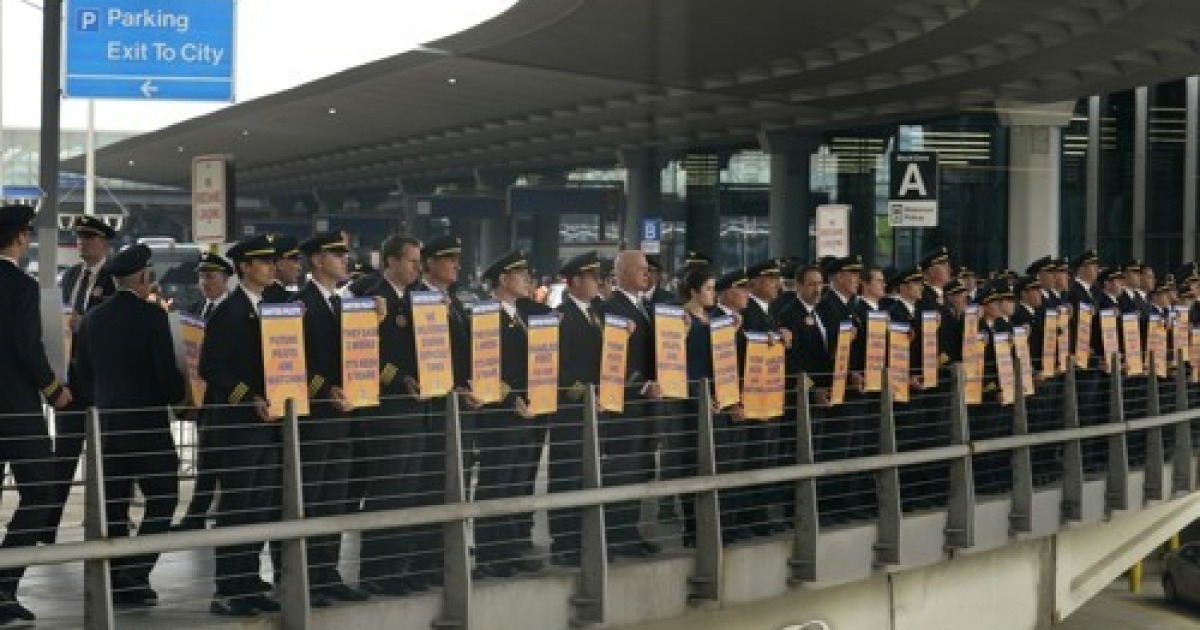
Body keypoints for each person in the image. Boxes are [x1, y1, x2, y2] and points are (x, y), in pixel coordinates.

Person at [73, 244, 185, 607]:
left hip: (107, 428)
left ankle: (117, 577)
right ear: (143, 277)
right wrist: (180, 393)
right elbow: (166, 376)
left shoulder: (93, 319)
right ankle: (135, 573)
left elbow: (81, 376)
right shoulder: (153, 318)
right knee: (163, 498)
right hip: (149, 428)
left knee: (115, 505)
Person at [199, 234, 285, 617]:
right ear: (245, 268)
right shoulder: (230, 311)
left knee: (260, 506)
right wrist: (248, 396)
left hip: (266, 423)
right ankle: (227, 588)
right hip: (238, 425)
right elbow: (211, 368)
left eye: (272, 261)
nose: (271, 267)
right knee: (236, 506)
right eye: (263, 262)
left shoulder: (265, 308)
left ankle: (248, 582)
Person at [0, 204, 72, 626]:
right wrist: (54, 390)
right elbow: (28, 349)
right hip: (16, 413)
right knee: (42, 492)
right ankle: (4, 586)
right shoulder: (21, 287)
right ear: (21, 238)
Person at [349, 235, 431, 595]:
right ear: (391, 261)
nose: (417, 267)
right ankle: (375, 570)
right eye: (411, 261)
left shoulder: (418, 299)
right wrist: (399, 379)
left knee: (408, 490)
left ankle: (398, 566)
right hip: (387, 407)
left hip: (416, 408)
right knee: (386, 489)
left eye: (418, 261)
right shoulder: (372, 298)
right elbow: (365, 353)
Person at [293, 232, 371, 603]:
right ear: (317, 260)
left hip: (344, 417)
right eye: (336, 254)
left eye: (344, 253)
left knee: (335, 499)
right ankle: (306, 576)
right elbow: (292, 361)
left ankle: (327, 571)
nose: (344, 259)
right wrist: (326, 390)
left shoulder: (343, 304)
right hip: (317, 415)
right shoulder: (300, 305)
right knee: (311, 498)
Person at [471, 250, 549, 578]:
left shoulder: (520, 315)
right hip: (500, 414)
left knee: (516, 484)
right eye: (521, 274)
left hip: (524, 413)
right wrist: (511, 398)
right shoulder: (487, 314)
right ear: (503, 279)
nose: (527, 280)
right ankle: (488, 553)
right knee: (496, 483)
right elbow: (484, 367)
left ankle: (509, 549)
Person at [46, 215, 118, 544]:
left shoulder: (114, 279)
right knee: (63, 457)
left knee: (105, 460)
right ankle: (47, 527)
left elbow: (116, 325)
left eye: (89, 237)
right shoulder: (72, 275)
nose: (82, 242)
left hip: (100, 381)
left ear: (104, 242)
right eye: (80, 237)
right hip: (71, 381)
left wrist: (84, 322)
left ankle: (107, 525)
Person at [599, 250, 663, 558]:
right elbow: (610, 360)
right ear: (622, 273)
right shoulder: (611, 308)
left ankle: (630, 530)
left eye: (647, 269)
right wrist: (640, 386)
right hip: (625, 406)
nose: (646, 274)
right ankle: (615, 534)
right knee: (622, 470)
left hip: (647, 406)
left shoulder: (646, 308)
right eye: (640, 269)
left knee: (639, 469)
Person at [549, 251, 604, 566]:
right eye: (592, 277)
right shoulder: (563, 316)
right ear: (576, 282)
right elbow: (558, 369)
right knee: (566, 475)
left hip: (594, 409)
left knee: (586, 476)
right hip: (571, 411)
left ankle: (580, 539)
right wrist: (584, 394)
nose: (598, 282)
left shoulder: (595, 314)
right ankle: (563, 542)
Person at [175, 252, 234, 531]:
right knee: (206, 458)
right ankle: (196, 515)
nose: (204, 282)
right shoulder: (194, 310)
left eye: (210, 276)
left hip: (226, 396)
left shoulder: (231, 310)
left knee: (226, 459)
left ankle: (221, 514)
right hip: (201, 398)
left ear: (225, 279)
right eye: (201, 277)